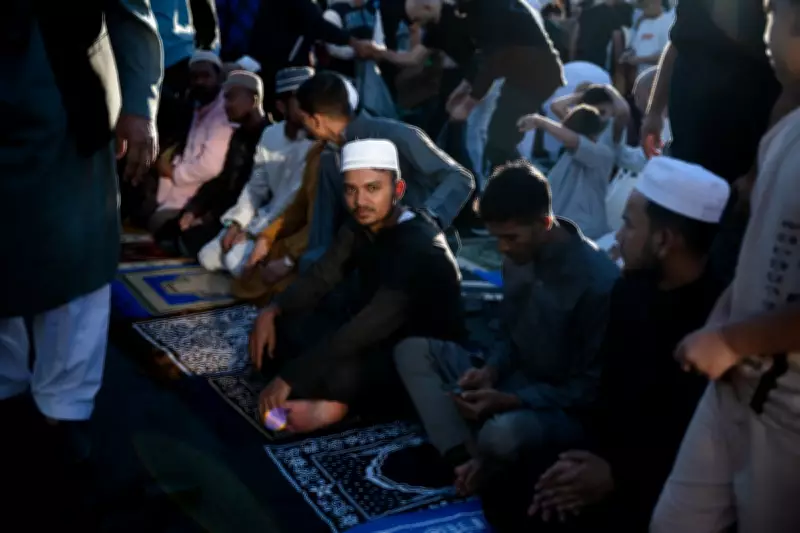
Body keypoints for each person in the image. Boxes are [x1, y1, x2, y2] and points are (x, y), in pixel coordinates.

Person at [393, 161, 619, 520]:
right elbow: (506, 333)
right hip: (511, 381)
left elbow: (588, 390)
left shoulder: (599, 283)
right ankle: (468, 459)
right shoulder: (517, 255)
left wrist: (511, 400)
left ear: (545, 223)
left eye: (511, 238)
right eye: (496, 237)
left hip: (558, 407)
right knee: (412, 352)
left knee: (501, 436)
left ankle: (481, 455)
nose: (502, 248)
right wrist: (490, 372)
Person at [651, 1, 800, 530]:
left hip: (789, 416)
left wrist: (734, 340)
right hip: (733, 385)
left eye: (776, 13)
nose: (766, 30)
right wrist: (722, 322)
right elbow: (760, 255)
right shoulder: (785, 131)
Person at [0, 0, 161, 467]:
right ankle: (6, 385)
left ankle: (64, 407)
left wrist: (138, 105)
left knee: (76, 257)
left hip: (66, 95)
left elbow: (129, 10)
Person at [530, 156, 729, 530]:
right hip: (609, 454)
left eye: (629, 224)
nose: (619, 237)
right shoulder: (630, 291)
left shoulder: (718, 321)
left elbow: (695, 439)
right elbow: (609, 399)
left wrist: (616, 474)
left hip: (665, 481)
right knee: (516, 489)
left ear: (664, 240)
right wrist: (584, 464)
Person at [249, 139, 466, 434]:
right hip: (371, 333)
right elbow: (321, 277)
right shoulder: (360, 224)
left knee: (339, 371)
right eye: (351, 190)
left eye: (372, 188)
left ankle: (338, 408)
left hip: (415, 348)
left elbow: (368, 326)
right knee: (282, 328)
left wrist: (290, 378)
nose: (360, 201)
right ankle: (326, 397)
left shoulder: (418, 246)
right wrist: (274, 309)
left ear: (398, 190)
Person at [296, 71, 474, 258]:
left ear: (315, 120)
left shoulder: (396, 135)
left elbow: (459, 177)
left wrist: (426, 218)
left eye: (304, 119)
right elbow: (322, 233)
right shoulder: (328, 158)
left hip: (418, 254)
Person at [405, 0, 565, 172]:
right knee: (499, 140)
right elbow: (483, 55)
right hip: (525, 75)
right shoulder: (478, 9)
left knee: (499, 143)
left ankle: (522, 181)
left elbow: (492, 59)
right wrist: (465, 87)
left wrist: (468, 102)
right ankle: (516, 179)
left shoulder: (487, 9)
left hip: (533, 77)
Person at [197, 67, 315, 275]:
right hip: (263, 216)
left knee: (236, 263)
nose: (309, 107)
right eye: (301, 100)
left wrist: (255, 232)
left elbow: (292, 201)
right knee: (208, 257)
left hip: (287, 225)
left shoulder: (316, 143)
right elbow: (256, 186)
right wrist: (237, 223)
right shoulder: (270, 135)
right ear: (282, 106)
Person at [160, 71, 270, 257]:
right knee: (168, 230)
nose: (226, 105)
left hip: (245, 216)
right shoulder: (239, 136)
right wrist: (193, 210)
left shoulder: (270, 138)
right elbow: (223, 179)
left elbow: (254, 192)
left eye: (231, 98)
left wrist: (209, 217)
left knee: (190, 243)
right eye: (224, 98)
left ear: (253, 100)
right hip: (222, 209)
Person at [150, 50, 234, 233]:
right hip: (177, 189)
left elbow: (211, 167)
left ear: (219, 78)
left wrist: (173, 172)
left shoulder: (223, 113)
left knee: (158, 223)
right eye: (195, 77)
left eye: (206, 76)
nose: (200, 82)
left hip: (198, 197)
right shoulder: (197, 105)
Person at [518, 105, 616, 240]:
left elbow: (574, 140)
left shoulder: (602, 154)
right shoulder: (567, 156)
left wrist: (538, 121)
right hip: (561, 230)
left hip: (587, 233)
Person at [620, 0, 674, 77]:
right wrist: (628, 54)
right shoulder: (643, 23)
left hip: (658, 78)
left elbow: (668, 56)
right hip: (641, 76)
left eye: (645, 5)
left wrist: (640, 60)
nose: (643, 10)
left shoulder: (668, 23)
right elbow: (635, 48)